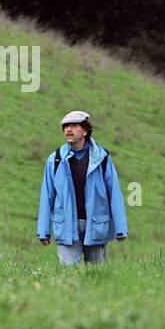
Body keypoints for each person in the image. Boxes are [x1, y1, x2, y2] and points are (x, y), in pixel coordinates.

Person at [36, 111, 128, 264]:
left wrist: (121, 228)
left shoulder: (102, 158)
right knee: (68, 276)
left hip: (96, 225)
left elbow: (114, 193)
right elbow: (47, 196)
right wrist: (43, 231)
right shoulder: (55, 160)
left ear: (85, 131)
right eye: (65, 127)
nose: (68, 130)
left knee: (98, 275)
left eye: (74, 126)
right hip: (66, 225)